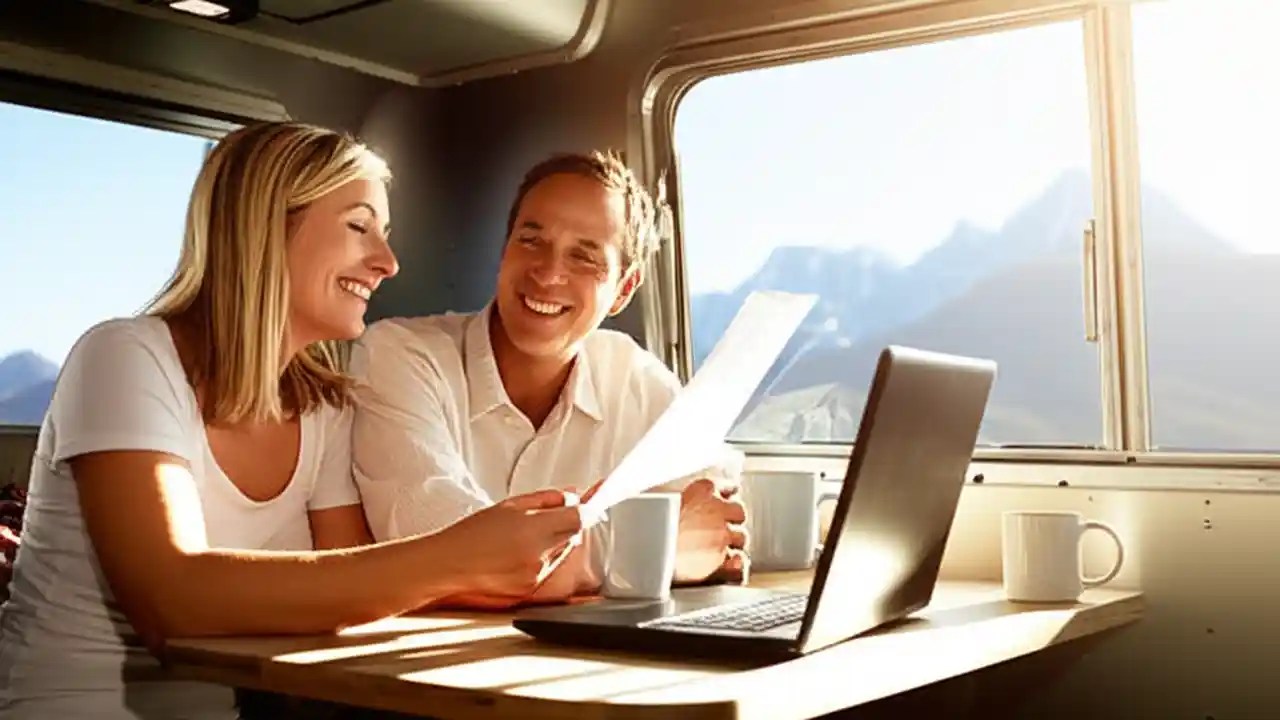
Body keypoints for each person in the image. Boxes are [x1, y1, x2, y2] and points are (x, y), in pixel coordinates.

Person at [0, 122, 584, 720]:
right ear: (266, 228)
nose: (387, 262)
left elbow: (354, 587)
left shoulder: (323, 407)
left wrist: (508, 557)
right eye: (360, 227)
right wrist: (455, 556)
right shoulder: (126, 356)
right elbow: (169, 598)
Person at [349, 150, 747, 608]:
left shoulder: (634, 376)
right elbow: (446, 550)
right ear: (504, 250)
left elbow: (717, 517)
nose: (549, 272)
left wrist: (679, 542)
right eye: (531, 240)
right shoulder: (398, 354)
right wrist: (661, 549)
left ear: (623, 288)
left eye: (584, 257)